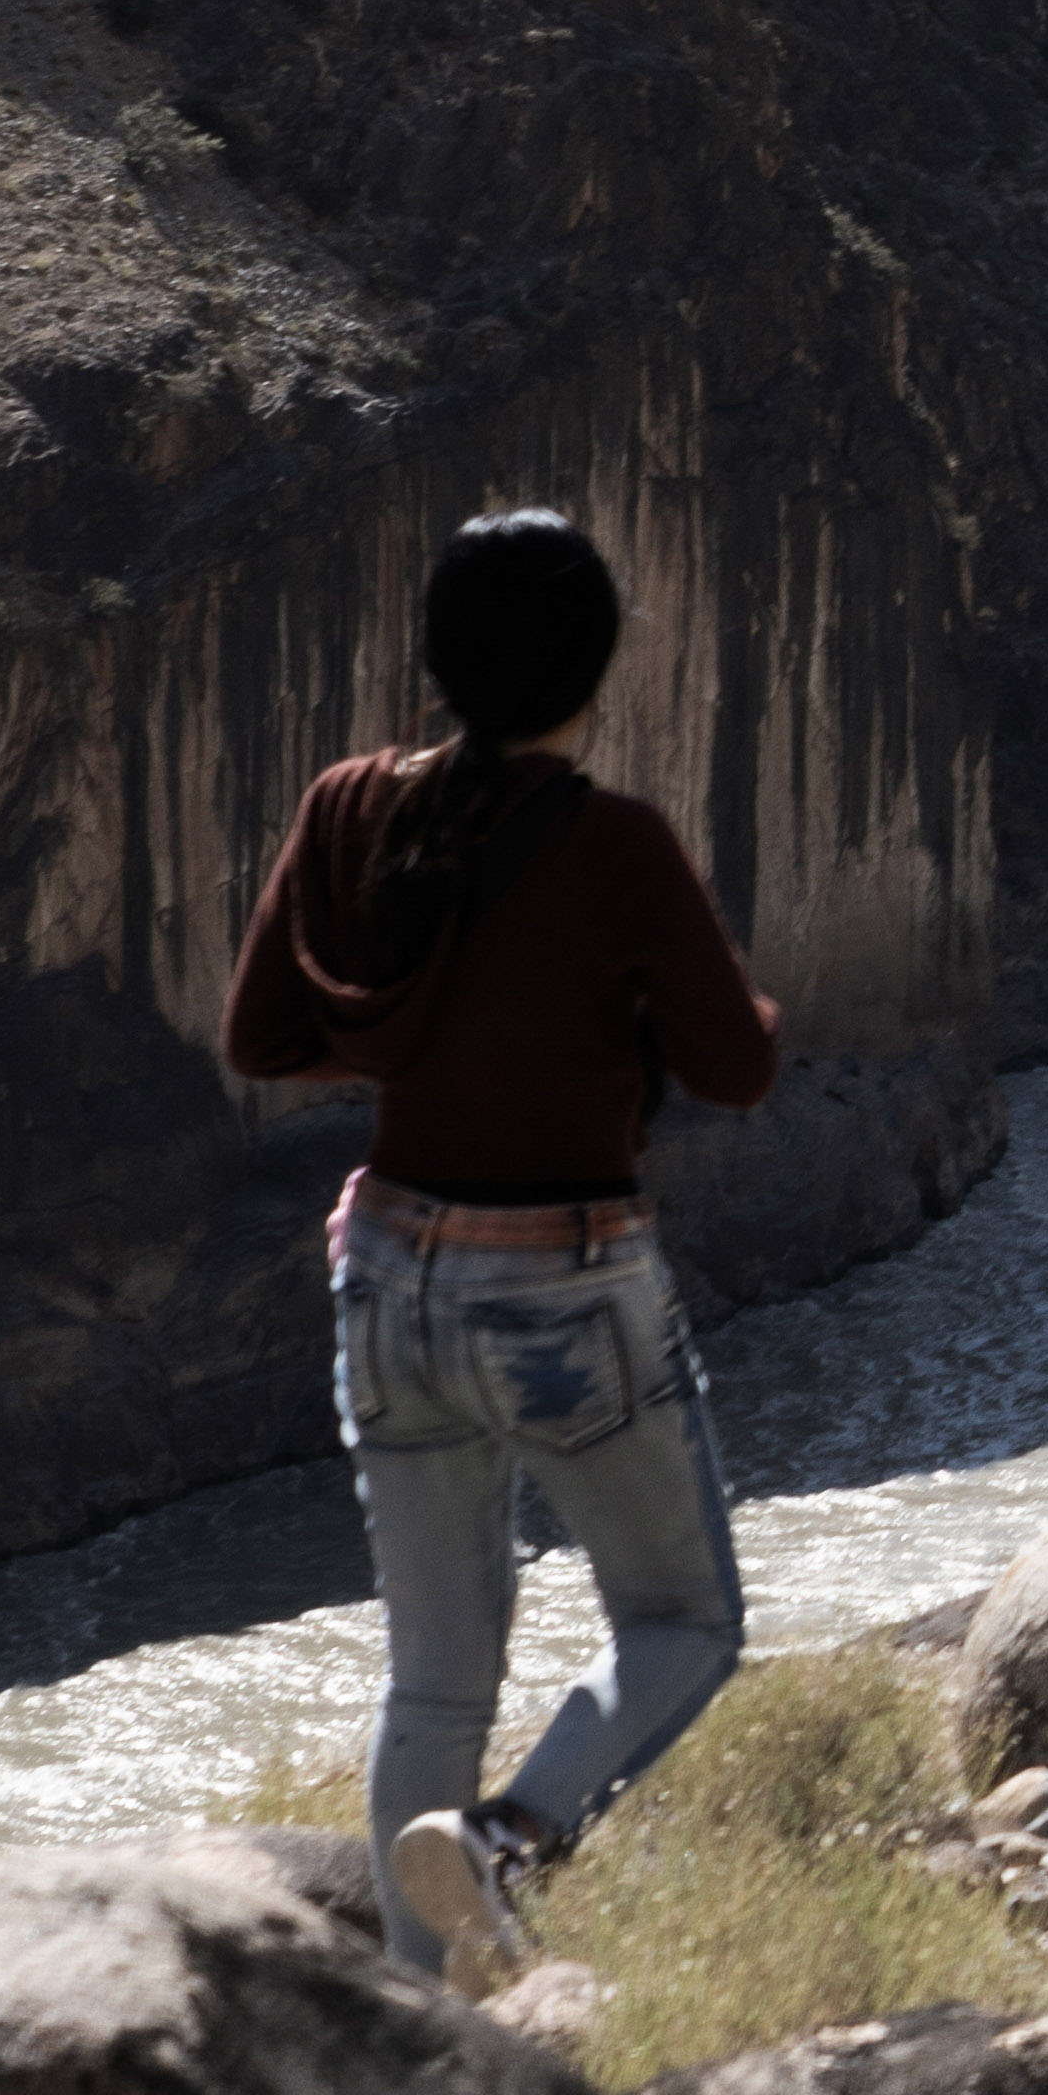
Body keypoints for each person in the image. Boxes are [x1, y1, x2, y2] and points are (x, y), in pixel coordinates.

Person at [220, 504, 785, 1984]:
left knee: (432, 1686)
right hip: (562, 1289)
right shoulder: (617, 846)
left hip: (386, 1281)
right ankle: (514, 1835)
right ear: (595, 667)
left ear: (442, 660)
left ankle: (427, 2014)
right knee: (684, 1620)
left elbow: (260, 1036)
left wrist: (433, 1063)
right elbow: (737, 1070)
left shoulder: (351, 808)